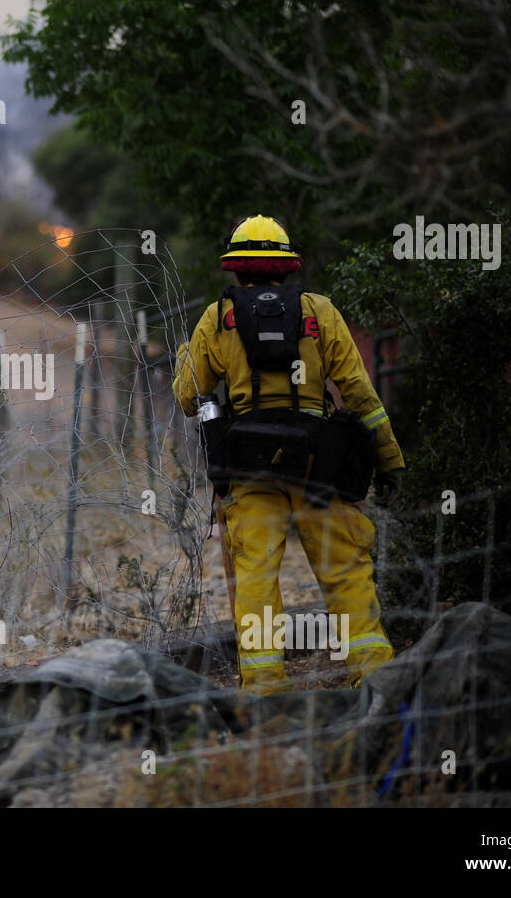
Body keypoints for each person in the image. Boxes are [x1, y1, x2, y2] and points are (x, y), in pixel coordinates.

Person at [172, 215, 403, 694]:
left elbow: (188, 396)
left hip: (250, 470)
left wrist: (182, 358)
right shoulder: (320, 312)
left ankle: (264, 691)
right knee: (345, 571)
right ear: (288, 268)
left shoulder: (218, 318)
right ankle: (378, 679)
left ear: (236, 271)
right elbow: (360, 395)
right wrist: (389, 460)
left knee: (256, 576)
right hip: (320, 466)